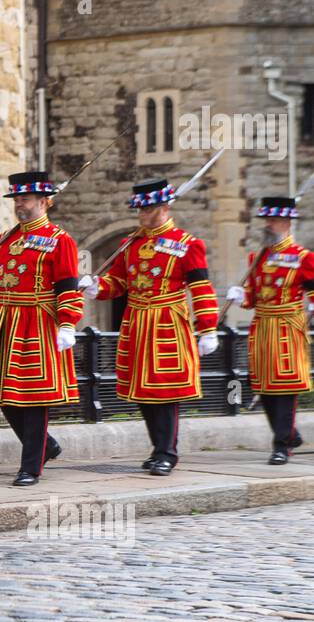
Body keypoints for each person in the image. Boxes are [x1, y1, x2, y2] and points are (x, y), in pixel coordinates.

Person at [0, 171, 82, 486]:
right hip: (5, 322)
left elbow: (67, 286)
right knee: (1, 393)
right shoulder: (4, 239)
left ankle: (30, 467)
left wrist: (68, 323)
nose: (19, 205)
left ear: (44, 201)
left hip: (38, 322)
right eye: (17, 200)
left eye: (25, 199)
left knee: (34, 398)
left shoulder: (59, 241)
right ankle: (45, 446)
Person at [80, 178, 219, 475]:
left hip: (168, 321)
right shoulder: (130, 243)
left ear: (165, 207)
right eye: (139, 210)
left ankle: (167, 452)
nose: (142, 215)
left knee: (166, 392)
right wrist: (96, 287)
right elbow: (118, 283)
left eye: (148, 209)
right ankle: (157, 448)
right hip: (137, 322)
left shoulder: (187, 244)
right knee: (143, 393)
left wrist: (207, 326)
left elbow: (201, 288)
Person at [226, 196, 314, 464]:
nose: (268, 224)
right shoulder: (258, 257)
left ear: (287, 223)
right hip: (262, 327)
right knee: (263, 388)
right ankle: (289, 433)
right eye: (267, 220)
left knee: (285, 387)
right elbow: (254, 297)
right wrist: (241, 295)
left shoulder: (303, 258)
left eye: (274, 220)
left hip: (288, 327)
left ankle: (281, 445)